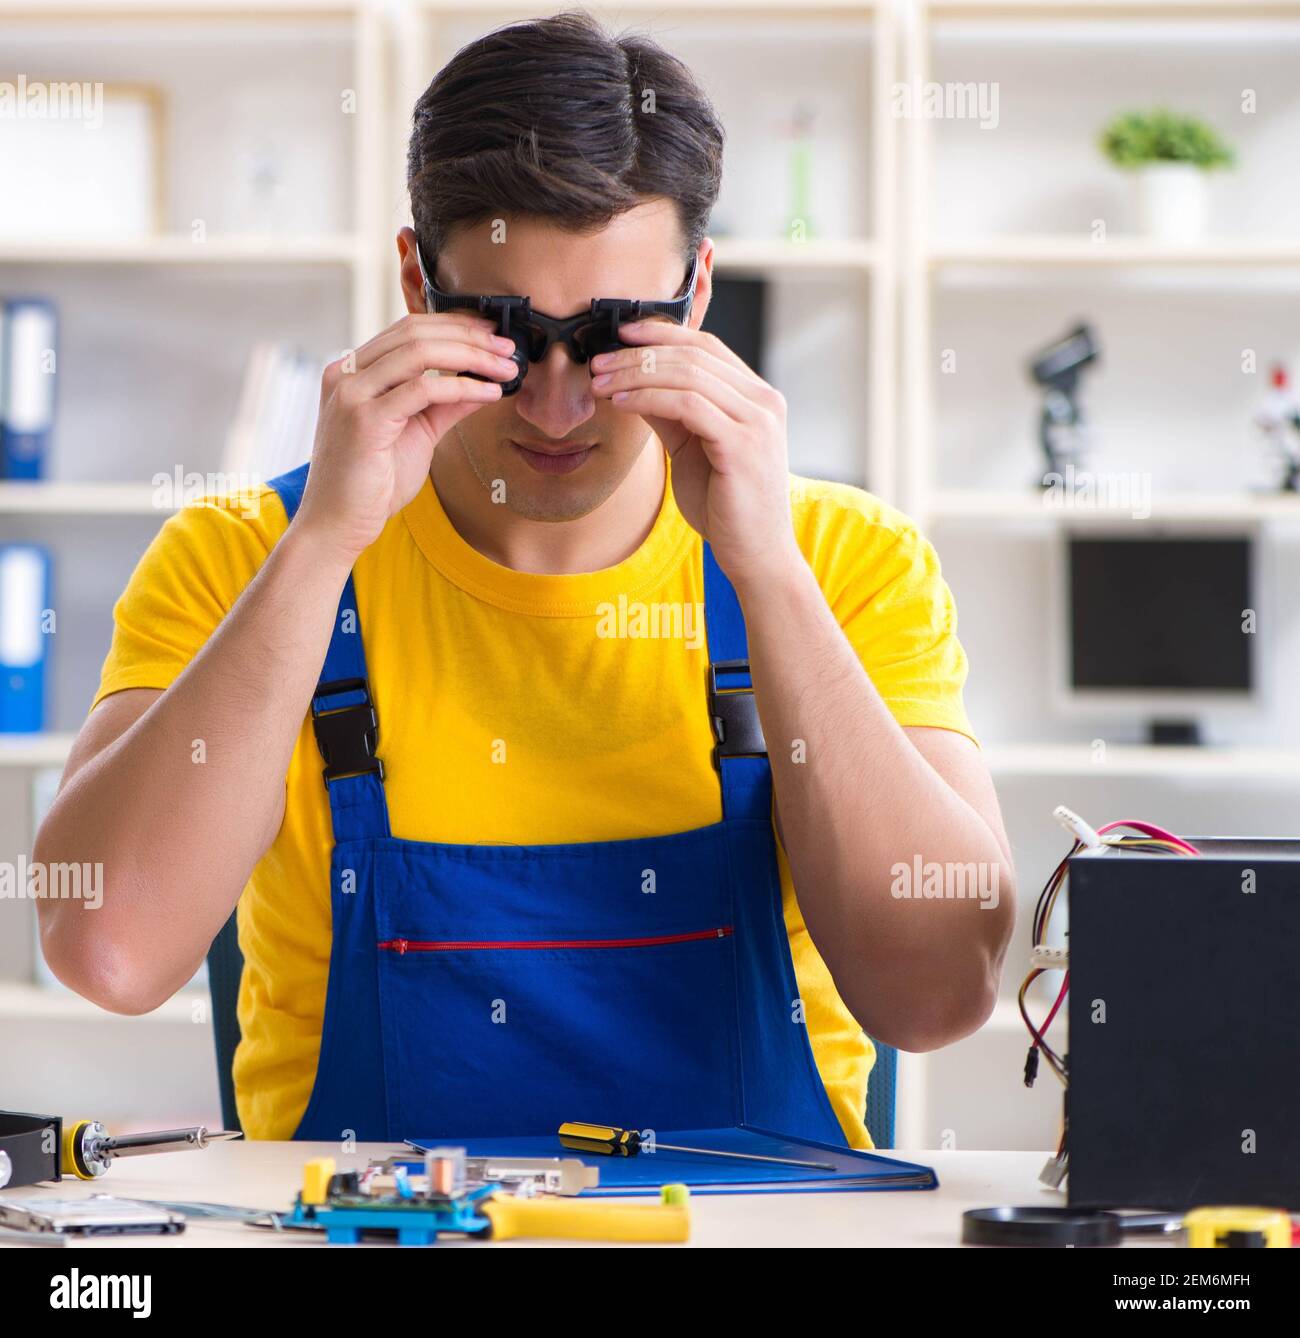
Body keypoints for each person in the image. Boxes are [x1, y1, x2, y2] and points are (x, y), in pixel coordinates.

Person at [36, 10, 1014, 1148]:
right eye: (501, 334)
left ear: (696, 295)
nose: (557, 405)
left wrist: (768, 575)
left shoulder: (849, 562)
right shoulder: (244, 554)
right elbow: (107, 953)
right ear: (415, 280)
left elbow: (940, 995)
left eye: (611, 337)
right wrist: (323, 548)